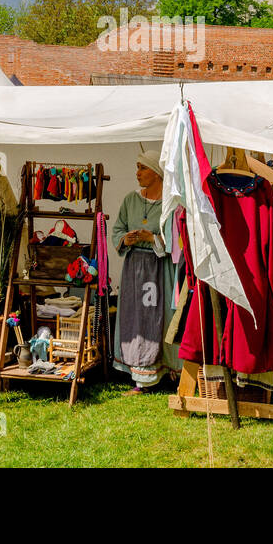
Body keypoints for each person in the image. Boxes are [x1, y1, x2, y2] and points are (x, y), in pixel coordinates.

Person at [111, 152, 180, 392]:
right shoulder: (130, 200)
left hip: (158, 269)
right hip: (134, 269)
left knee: (159, 317)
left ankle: (163, 368)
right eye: (137, 167)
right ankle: (140, 374)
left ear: (156, 172)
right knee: (136, 317)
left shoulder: (170, 203)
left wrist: (152, 238)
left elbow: (176, 238)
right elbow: (117, 229)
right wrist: (126, 239)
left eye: (142, 168)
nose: (137, 173)